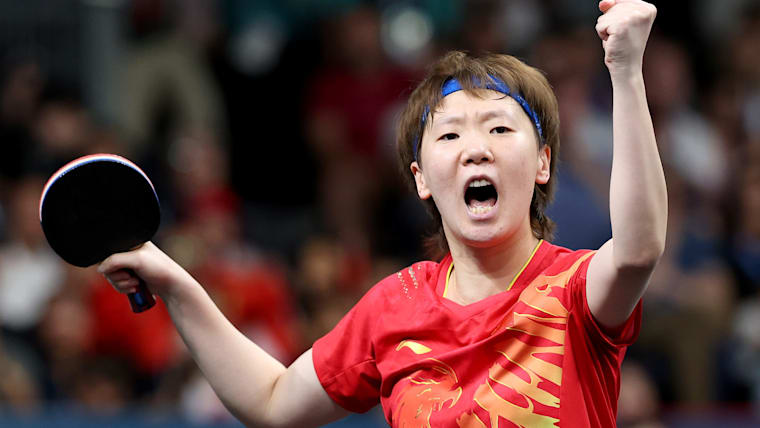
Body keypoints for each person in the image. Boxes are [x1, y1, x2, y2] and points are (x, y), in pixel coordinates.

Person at [98, 1, 664, 426]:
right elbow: (271, 401)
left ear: (542, 163)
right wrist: (174, 282)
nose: (476, 147)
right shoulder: (394, 307)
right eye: (448, 134)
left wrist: (626, 69)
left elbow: (638, 249)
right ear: (421, 178)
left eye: (498, 127)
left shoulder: (574, 290)